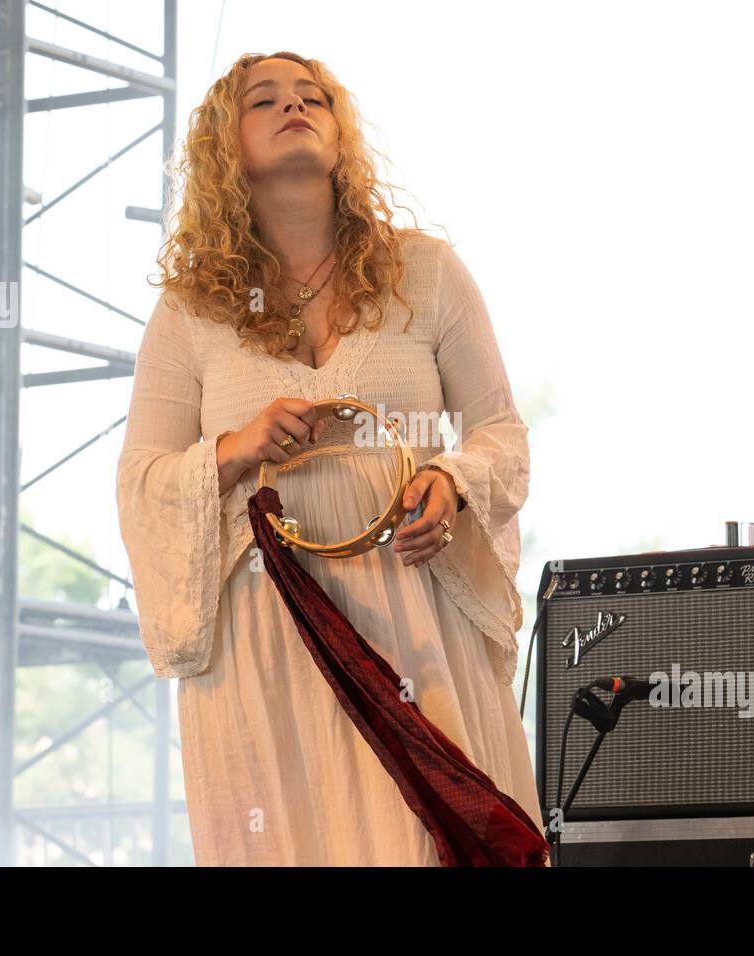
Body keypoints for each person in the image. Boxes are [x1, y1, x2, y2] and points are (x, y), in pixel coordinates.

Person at [115, 50, 541, 865]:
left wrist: (451, 481)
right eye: (264, 100)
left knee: (430, 839)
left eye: (314, 97)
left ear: (342, 139)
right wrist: (236, 450)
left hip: (416, 628)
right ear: (224, 148)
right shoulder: (192, 310)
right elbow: (140, 482)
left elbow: (503, 436)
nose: (293, 106)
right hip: (270, 641)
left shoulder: (428, 272)